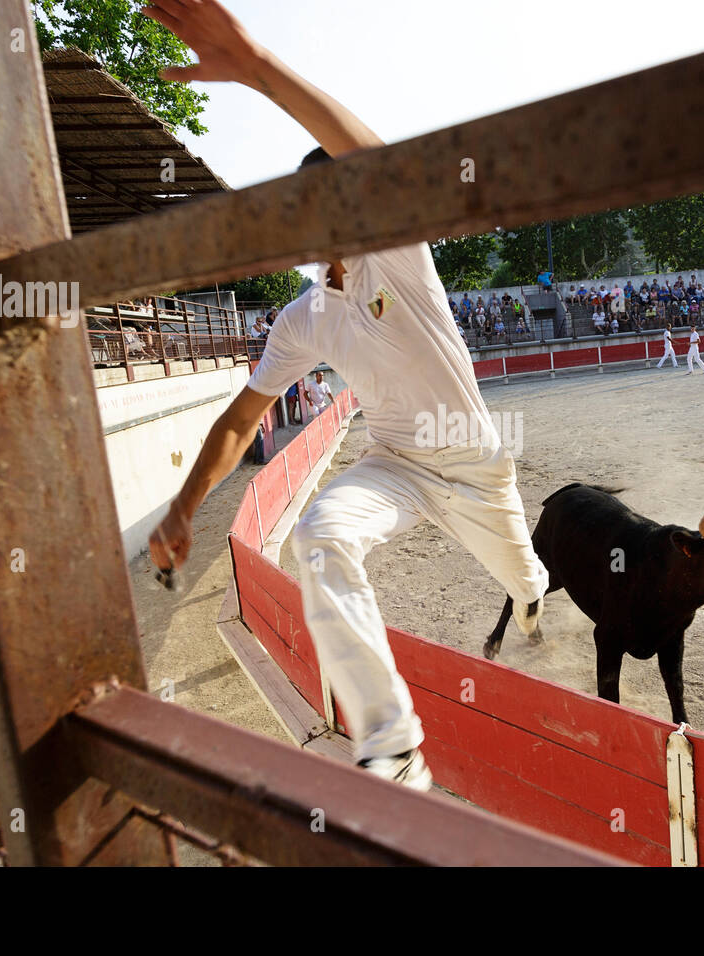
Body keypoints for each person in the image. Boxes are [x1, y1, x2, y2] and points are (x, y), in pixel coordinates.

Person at [145, 0, 548, 791]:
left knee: (523, 581)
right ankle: (392, 746)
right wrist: (185, 508)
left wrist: (257, 67)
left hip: (474, 466)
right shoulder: (301, 319)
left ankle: (532, 601)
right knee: (317, 537)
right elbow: (240, 419)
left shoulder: (397, 256)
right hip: (392, 462)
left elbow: (376, 159)